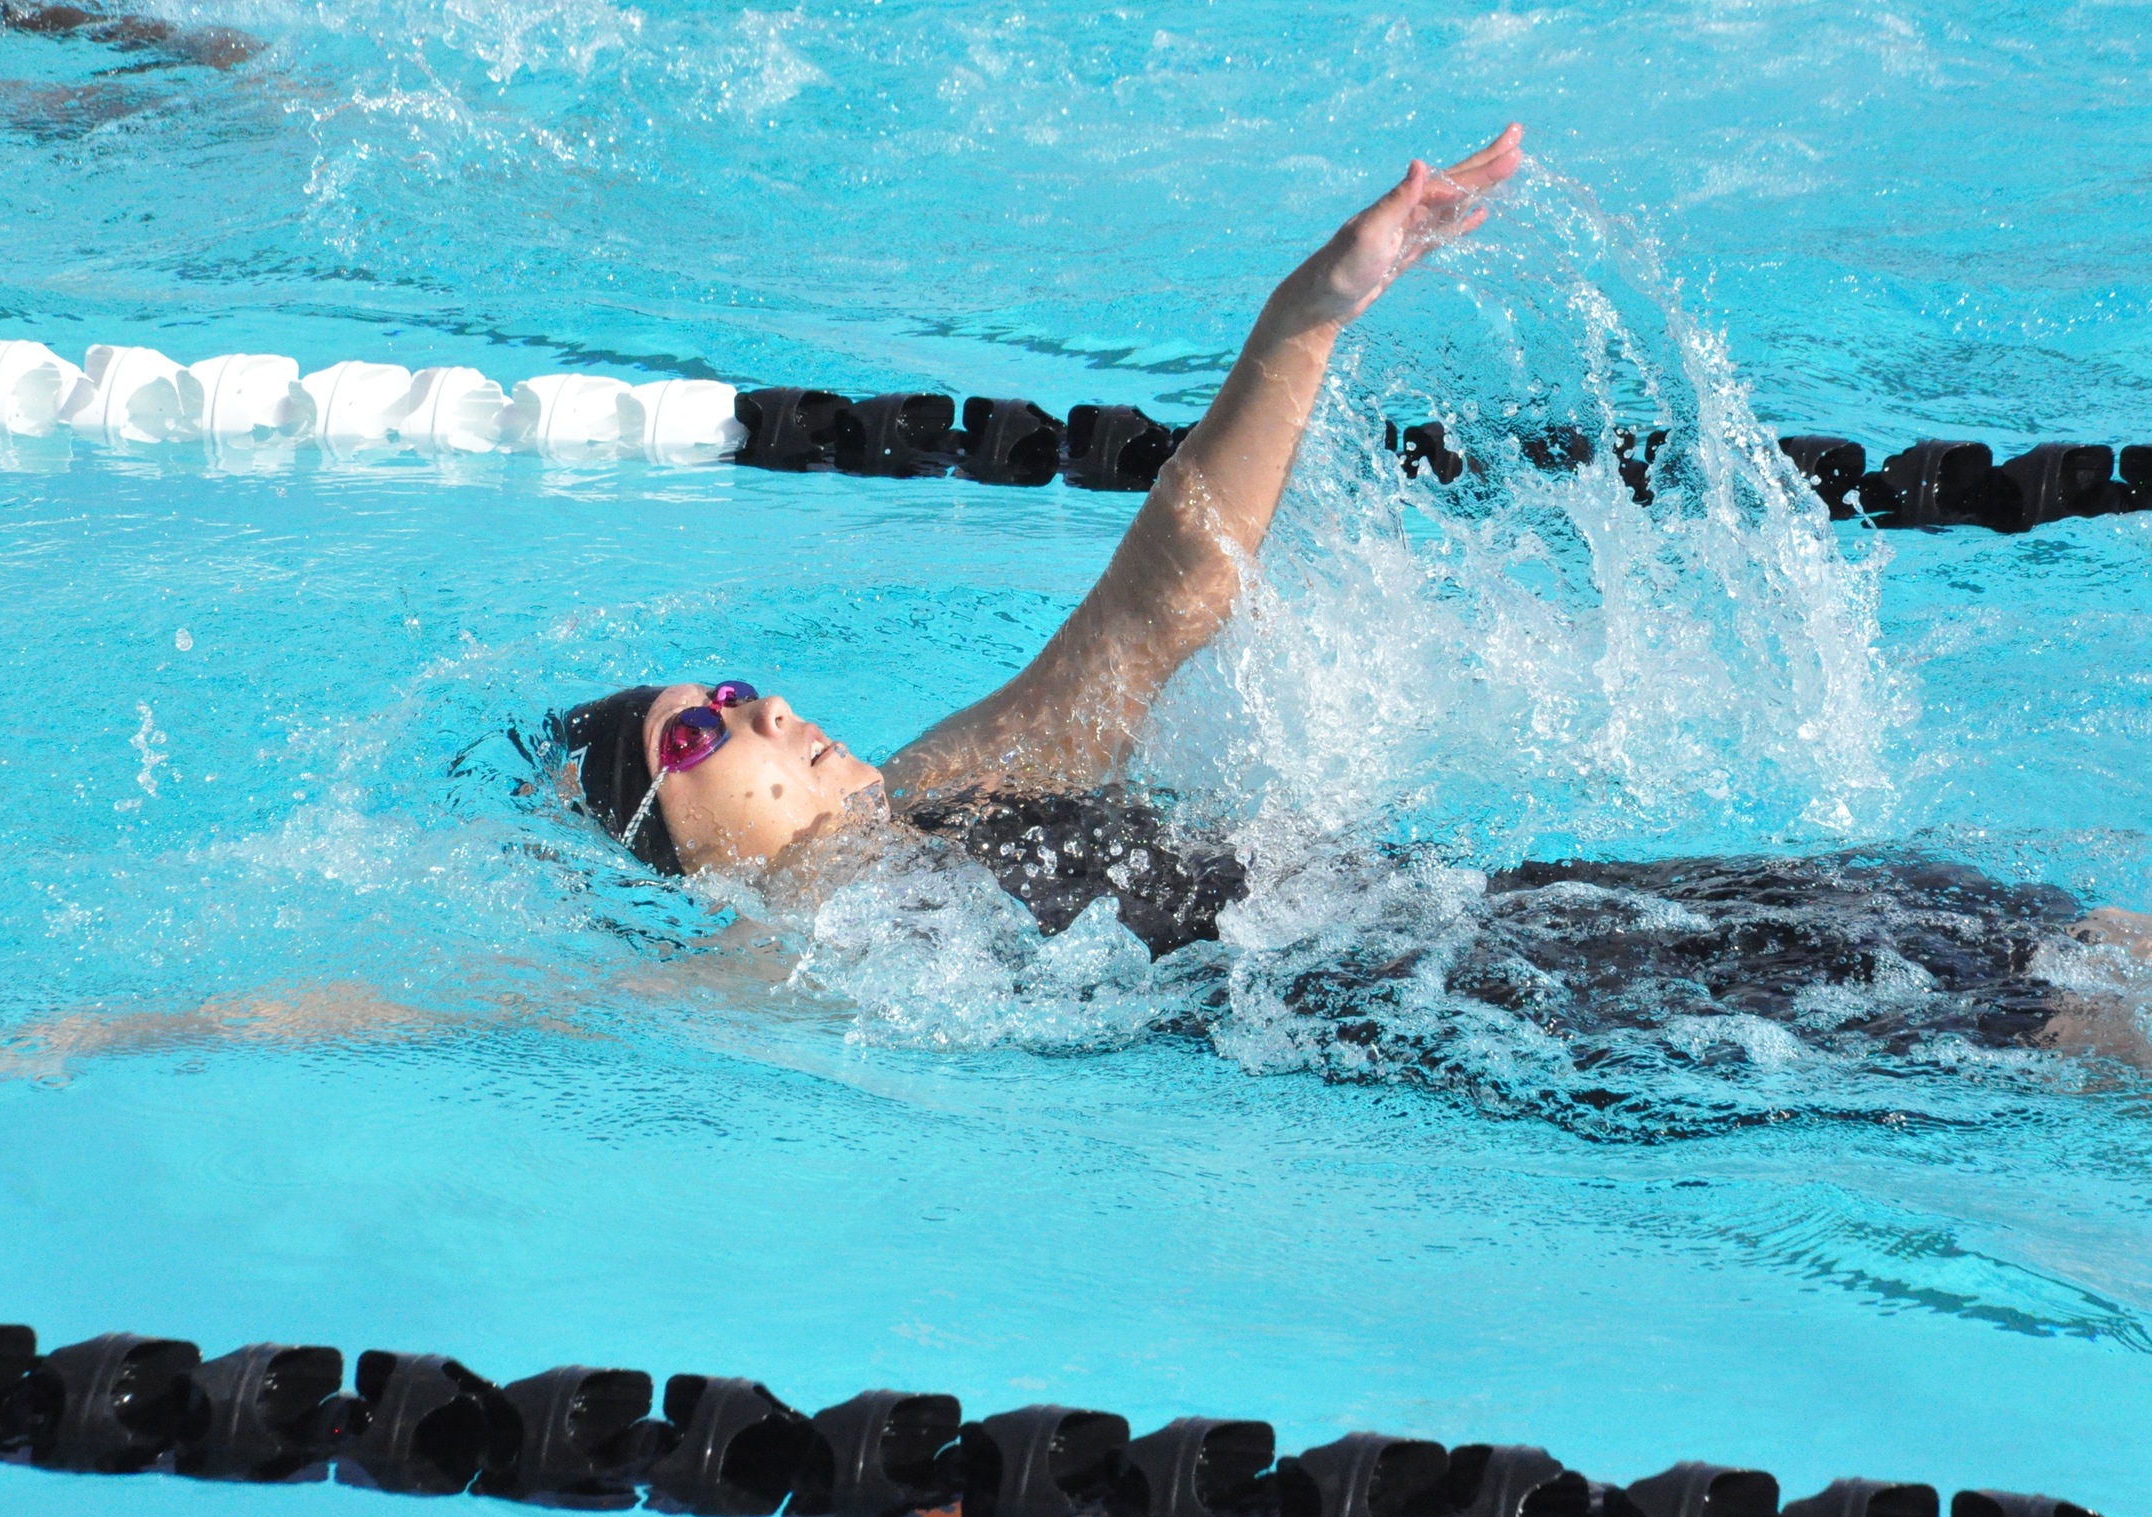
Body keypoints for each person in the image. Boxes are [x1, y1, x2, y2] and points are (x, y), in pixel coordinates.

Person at [538, 123, 2149, 1067]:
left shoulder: (955, 788)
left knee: (1982, 925)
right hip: (1448, 1015)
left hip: (1503, 918)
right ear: (689, 859)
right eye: (703, 741)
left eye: (736, 688)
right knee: (2034, 1016)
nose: (762, 713)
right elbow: (476, 1005)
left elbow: (1167, 595)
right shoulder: (787, 954)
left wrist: (1316, 303)